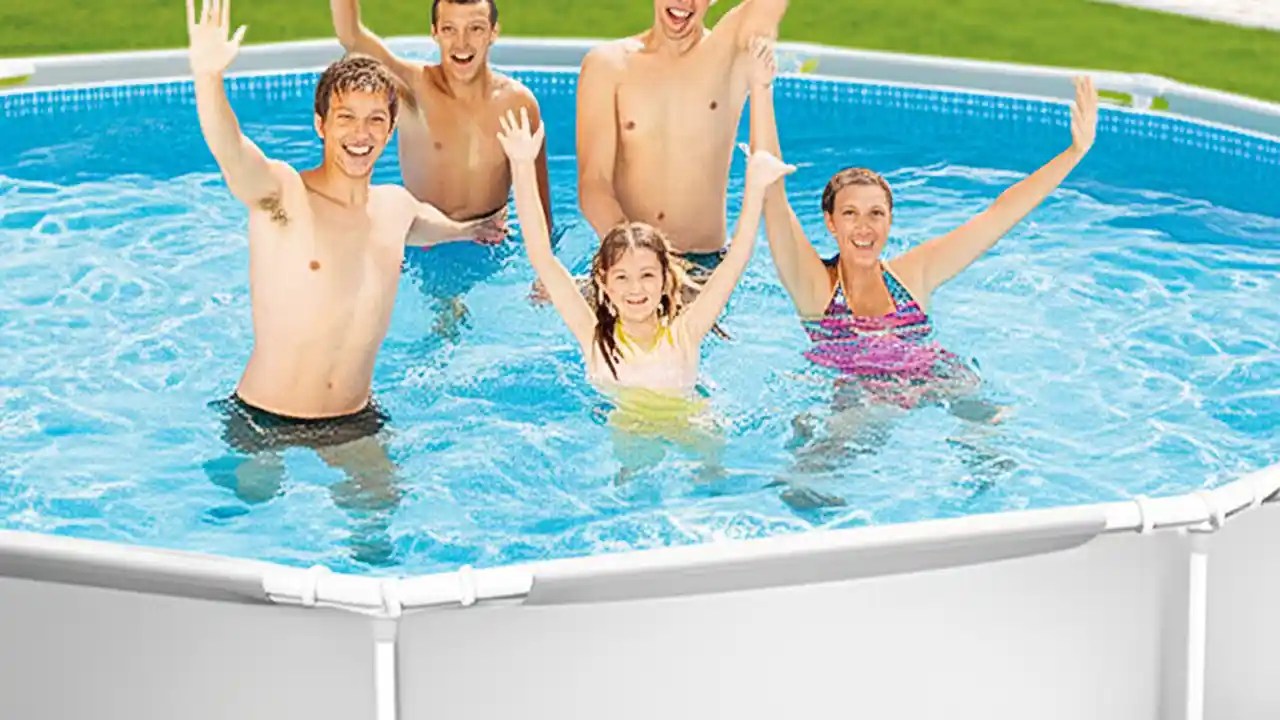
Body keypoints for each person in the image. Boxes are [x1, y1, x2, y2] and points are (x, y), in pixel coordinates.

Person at [187, 0, 491, 562]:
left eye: (376, 119)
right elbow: (230, 152)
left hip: (355, 421)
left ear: (392, 127)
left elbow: (428, 228)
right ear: (321, 124)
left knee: (379, 539)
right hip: (263, 419)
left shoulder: (395, 207)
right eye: (346, 117)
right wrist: (208, 77)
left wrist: (475, 230)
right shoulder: (282, 196)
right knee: (237, 539)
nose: (361, 133)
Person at [748, 37, 1099, 413]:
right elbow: (771, 191)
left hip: (935, 380)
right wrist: (761, 90)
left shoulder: (913, 276)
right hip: (859, 401)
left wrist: (1074, 152)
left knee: (988, 422)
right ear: (830, 223)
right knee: (833, 447)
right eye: (850, 214)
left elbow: (998, 216)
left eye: (876, 214)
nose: (864, 228)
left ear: (890, 220)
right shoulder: (816, 288)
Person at [575, 0, 789, 274]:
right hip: (626, 257)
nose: (683, 3)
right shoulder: (607, 66)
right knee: (546, 296)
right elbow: (594, 184)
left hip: (704, 265)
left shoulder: (728, 55)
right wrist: (636, 257)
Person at [330, 0, 550, 232]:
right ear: (434, 32)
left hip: (491, 244)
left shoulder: (517, 104)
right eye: (449, 29)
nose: (461, 43)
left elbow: (541, 210)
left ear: (493, 32)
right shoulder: (412, 89)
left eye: (475, 29)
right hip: (422, 242)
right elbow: (351, 35)